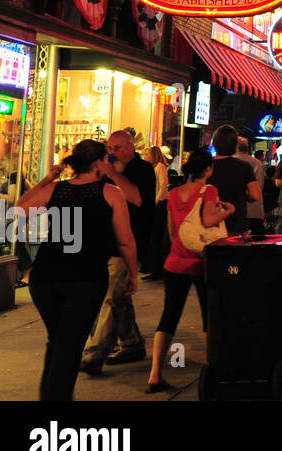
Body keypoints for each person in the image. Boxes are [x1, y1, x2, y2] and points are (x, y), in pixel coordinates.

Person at [18, 140, 139, 401]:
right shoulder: (110, 193)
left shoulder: (55, 190)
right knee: (69, 345)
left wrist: (46, 181)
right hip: (85, 277)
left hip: (46, 277)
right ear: (97, 163)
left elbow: (18, 209)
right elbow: (125, 239)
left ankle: (53, 397)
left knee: (59, 340)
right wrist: (133, 271)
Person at [144, 148, 236, 392]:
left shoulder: (174, 193)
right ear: (208, 169)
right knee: (209, 316)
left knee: (169, 316)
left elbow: (174, 232)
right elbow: (208, 221)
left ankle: (155, 374)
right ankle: (215, 369)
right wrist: (229, 211)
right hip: (202, 262)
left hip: (175, 262)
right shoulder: (209, 191)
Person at [80, 129, 155, 374]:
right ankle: (132, 343)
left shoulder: (142, 170)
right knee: (118, 294)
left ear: (131, 146)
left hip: (128, 242)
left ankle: (94, 354)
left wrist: (112, 174)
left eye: (118, 148)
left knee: (111, 297)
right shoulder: (108, 174)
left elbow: (137, 199)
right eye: (110, 149)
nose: (113, 153)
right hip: (106, 241)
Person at [206, 125, 258, 236]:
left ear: (214, 143)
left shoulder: (206, 167)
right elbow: (255, 195)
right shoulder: (244, 167)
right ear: (235, 145)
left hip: (210, 223)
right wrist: (243, 196)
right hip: (237, 222)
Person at [140, 146, 171, 278]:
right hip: (156, 203)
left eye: (147, 154)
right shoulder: (154, 168)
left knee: (155, 235)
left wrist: (157, 200)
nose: (145, 157)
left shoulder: (160, 167)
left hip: (159, 204)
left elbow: (163, 184)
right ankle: (154, 268)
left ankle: (156, 268)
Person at [236, 136, 266, 233]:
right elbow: (260, 186)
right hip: (255, 210)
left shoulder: (232, 161)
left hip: (237, 210)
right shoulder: (257, 163)